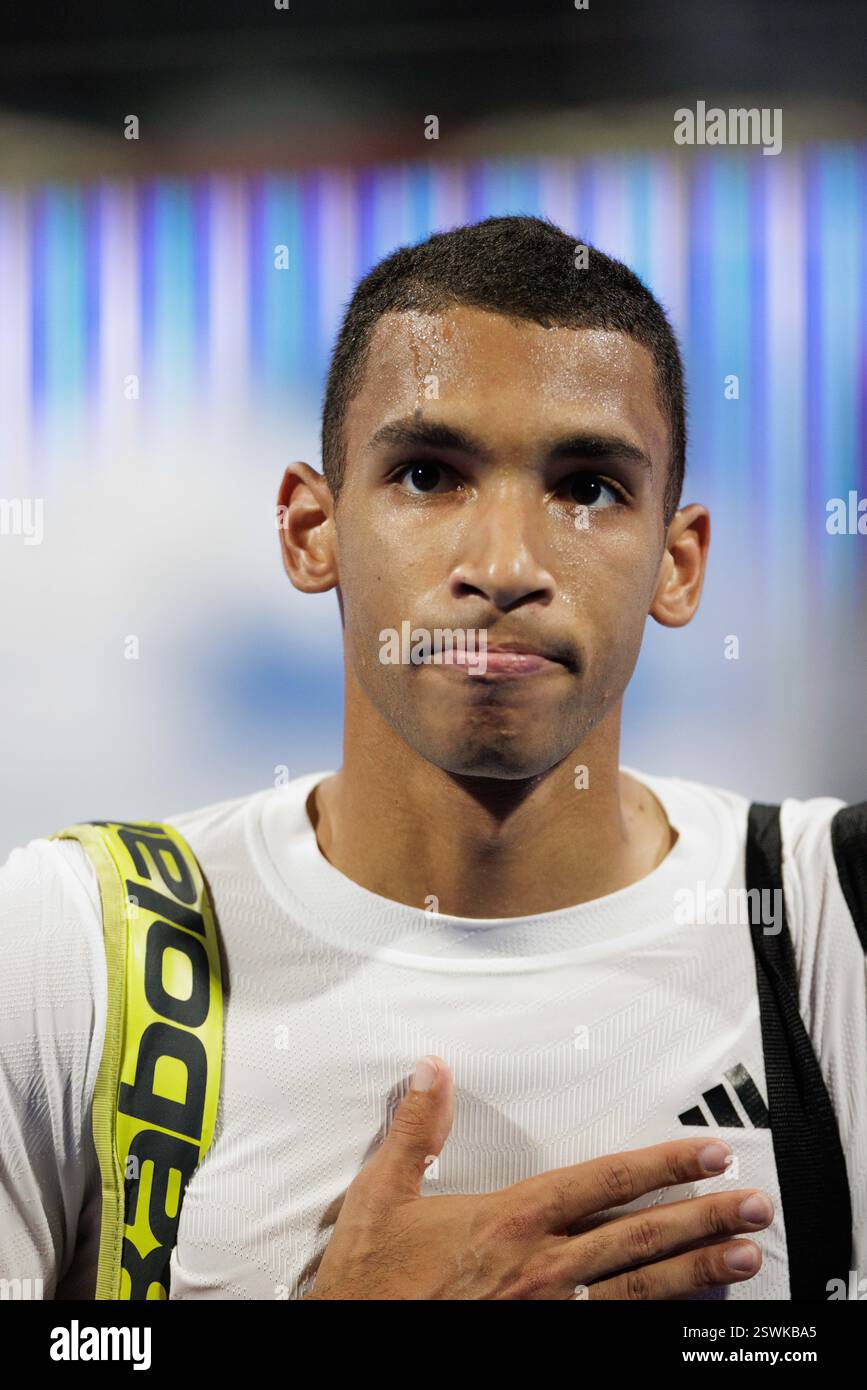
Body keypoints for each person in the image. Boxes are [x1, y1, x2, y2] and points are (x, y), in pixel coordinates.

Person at [1, 215, 862, 1300]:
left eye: (587, 487)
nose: (503, 565)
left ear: (678, 564)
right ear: (311, 529)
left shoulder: (835, 927)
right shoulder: (68, 944)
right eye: (426, 473)